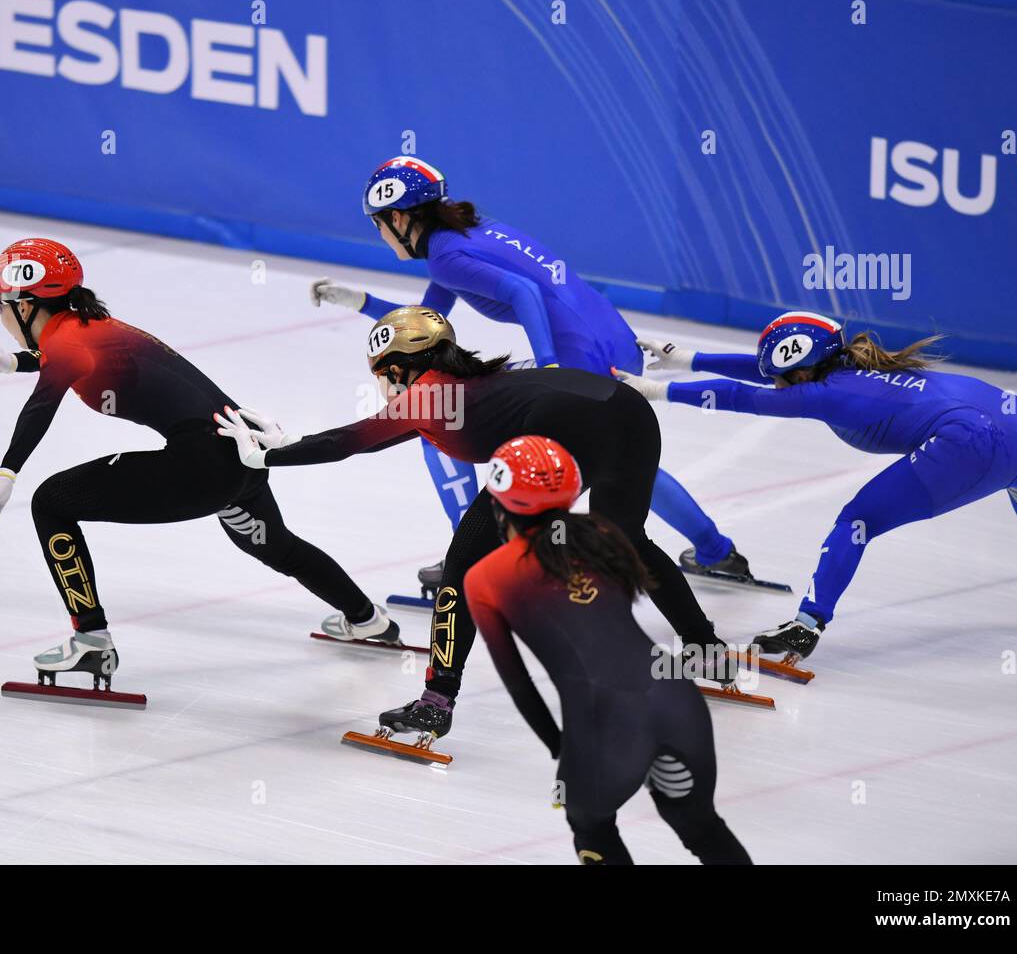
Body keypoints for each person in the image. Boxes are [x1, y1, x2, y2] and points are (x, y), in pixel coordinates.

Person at [214, 305, 730, 738]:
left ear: (396, 369)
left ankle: (436, 701)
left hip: (561, 429)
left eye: (379, 374)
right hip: (629, 413)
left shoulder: (429, 395)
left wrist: (266, 460)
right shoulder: (460, 388)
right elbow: (365, 437)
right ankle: (706, 648)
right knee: (630, 540)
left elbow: (347, 442)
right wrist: (288, 445)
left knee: (462, 568)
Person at [309, 157, 754, 590]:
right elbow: (429, 323)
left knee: (440, 421)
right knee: (619, 459)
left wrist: (549, 367)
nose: (379, 234)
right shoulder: (464, 234)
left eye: (377, 224)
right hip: (616, 342)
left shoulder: (446, 256)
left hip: (579, 359)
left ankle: (468, 559)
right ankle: (716, 551)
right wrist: (359, 300)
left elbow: (522, 292)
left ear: (400, 218)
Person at [0, 237, 396, 686]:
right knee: (276, 545)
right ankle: (368, 620)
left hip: (200, 469)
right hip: (241, 455)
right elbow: (66, 361)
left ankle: (91, 640)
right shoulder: (91, 325)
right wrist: (16, 362)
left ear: (26, 304)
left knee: (52, 502)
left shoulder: (69, 339)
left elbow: (42, 404)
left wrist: (6, 473)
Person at [618, 311, 1017, 660]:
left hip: (972, 442)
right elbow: (762, 374)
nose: (774, 381)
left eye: (781, 376)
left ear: (804, 373)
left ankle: (806, 626)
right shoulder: (847, 364)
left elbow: (742, 396)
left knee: (857, 521)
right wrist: (688, 358)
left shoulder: (820, 393)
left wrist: (658, 391)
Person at [465, 434, 752, 865]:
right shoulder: (604, 534)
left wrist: (560, 746)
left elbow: (519, 684)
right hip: (677, 698)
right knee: (700, 826)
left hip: (604, 724)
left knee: (592, 825)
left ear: (498, 504)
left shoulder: (484, 578)